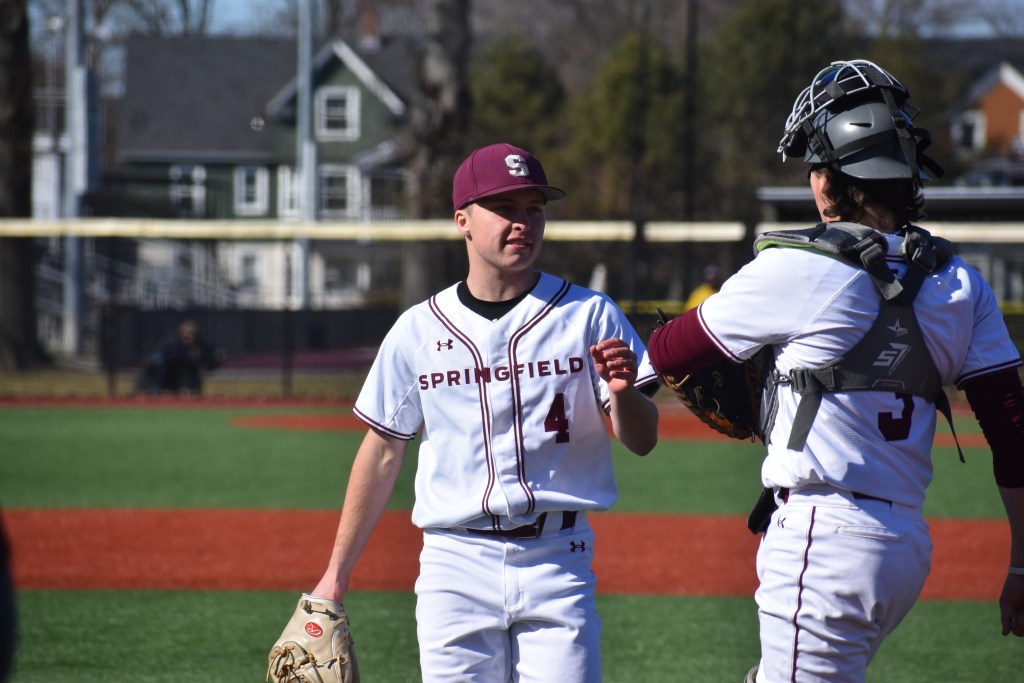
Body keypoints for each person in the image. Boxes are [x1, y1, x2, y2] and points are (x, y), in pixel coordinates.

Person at [647, 59, 1024, 682]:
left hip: (823, 540)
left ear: (830, 181)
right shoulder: (961, 284)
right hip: (903, 546)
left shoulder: (799, 267)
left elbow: (668, 352)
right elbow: (1013, 431)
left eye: (814, 166)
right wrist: (1020, 567)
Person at [310, 143, 660, 681]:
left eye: (534, 209)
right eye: (505, 208)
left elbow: (641, 439)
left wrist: (622, 394)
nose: (523, 222)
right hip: (454, 564)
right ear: (463, 222)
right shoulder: (418, 329)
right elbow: (382, 451)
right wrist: (335, 576)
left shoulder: (590, 315)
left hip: (557, 559)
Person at [134, 319, 222, 395]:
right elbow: (158, 358)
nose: (187, 336)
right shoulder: (172, 345)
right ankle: (151, 391)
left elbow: (211, 362)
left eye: (191, 333)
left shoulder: (200, 346)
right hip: (167, 376)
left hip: (187, 379)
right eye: (185, 332)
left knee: (187, 370)